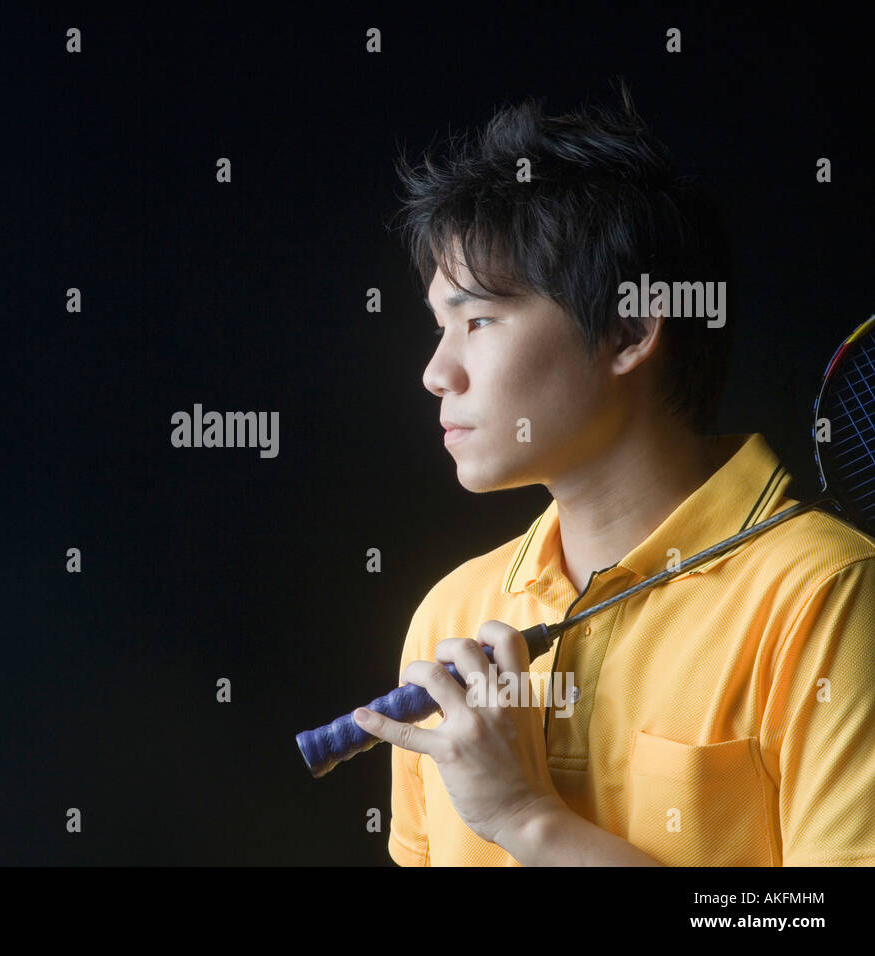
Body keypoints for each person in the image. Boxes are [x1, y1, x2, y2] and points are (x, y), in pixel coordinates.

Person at [355, 81, 875, 866]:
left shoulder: (826, 593)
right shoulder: (452, 614)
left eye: (480, 320)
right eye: (440, 326)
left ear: (631, 329)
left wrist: (527, 819)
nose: (437, 373)